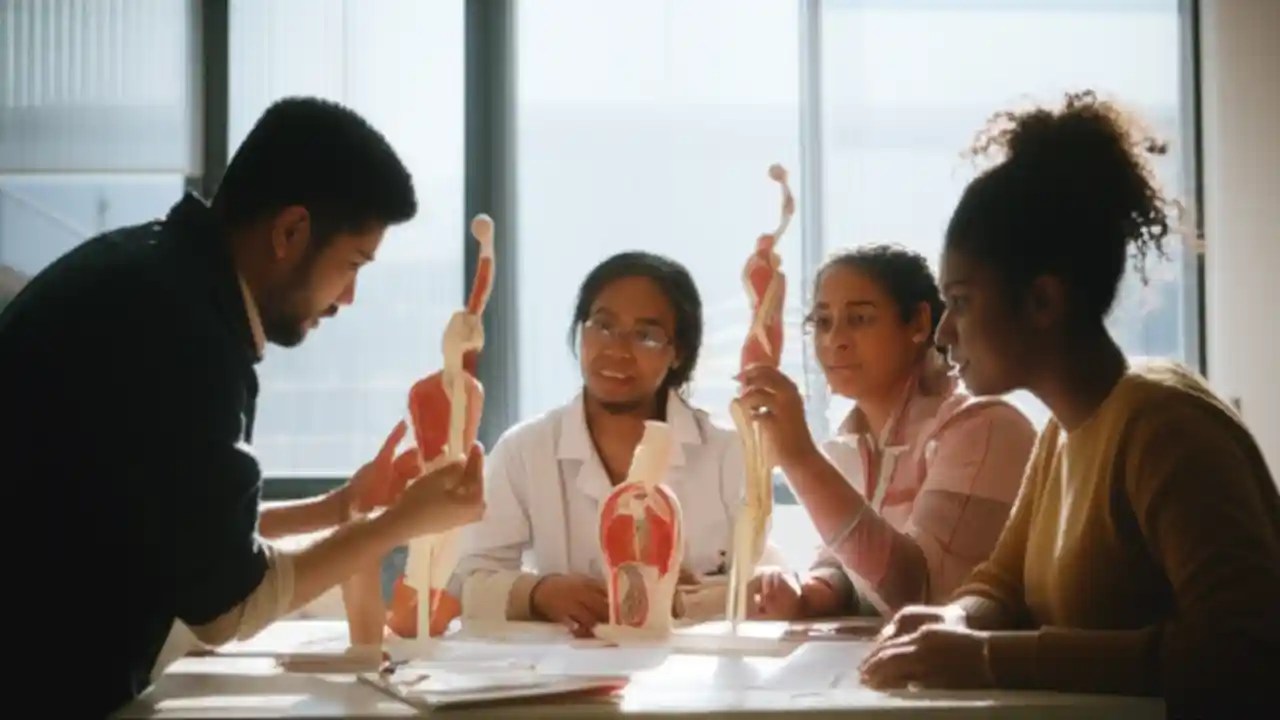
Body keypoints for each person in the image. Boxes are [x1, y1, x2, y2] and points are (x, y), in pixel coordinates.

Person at [0, 97, 486, 718]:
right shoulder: (186, 333)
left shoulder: (149, 276)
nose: (350, 298)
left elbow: (178, 523)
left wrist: (336, 507)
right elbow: (227, 608)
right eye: (352, 266)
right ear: (290, 232)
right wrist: (401, 524)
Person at [857, 90, 1280, 715]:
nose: (944, 334)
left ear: (1044, 302)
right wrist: (954, 617)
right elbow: (1002, 582)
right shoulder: (1063, 430)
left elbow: (1244, 653)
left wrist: (985, 659)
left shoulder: (1166, 426)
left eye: (963, 301)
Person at [449, 251, 772, 635]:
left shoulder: (727, 450)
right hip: (566, 673)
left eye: (646, 336)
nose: (617, 350)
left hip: (689, 674)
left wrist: (688, 600)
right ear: (580, 330)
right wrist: (538, 592)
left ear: (677, 353)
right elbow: (464, 581)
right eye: (602, 326)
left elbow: (766, 584)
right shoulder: (526, 449)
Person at [740, 244, 1036, 620]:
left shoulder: (982, 428)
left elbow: (920, 595)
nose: (835, 341)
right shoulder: (852, 441)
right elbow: (846, 568)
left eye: (860, 319)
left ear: (918, 323)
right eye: (823, 322)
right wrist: (806, 592)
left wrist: (800, 459)